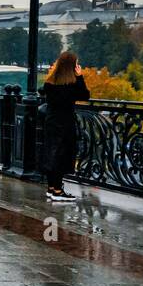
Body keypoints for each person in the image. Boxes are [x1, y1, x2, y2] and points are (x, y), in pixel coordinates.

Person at [41, 50, 90, 202]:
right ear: (72, 67)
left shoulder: (49, 83)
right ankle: (57, 190)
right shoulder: (71, 85)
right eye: (76, 64)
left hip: (51, 121)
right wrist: (80, 76)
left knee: (52, 154)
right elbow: (85, 96)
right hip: (65, 123)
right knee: (61, 157)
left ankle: (51, 188)